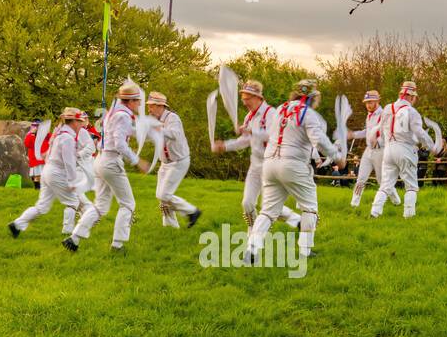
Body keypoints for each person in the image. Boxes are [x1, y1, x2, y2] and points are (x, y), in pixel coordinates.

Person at [246, 78, 342, 263]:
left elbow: (268, 134)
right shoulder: (309, 114)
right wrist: (336, 156)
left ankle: (252, 249)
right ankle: (306, 251)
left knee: (268, 210)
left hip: (270, 163)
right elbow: (319, 141)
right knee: (309, 207)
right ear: (312, 97)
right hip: (293, 165)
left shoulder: (280, 109)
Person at [63, 82, 147, 253]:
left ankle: (74, 238)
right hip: (111, 161)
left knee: (100, 205)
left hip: (101, 160)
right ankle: (118, 244)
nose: (139, 103)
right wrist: (137, 161)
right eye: (137, 100)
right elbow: (120, 144)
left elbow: (122, 133)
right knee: (128, 204)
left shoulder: (114, 113)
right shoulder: (123, 116)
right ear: (130, 101)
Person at [212, 79, 300, 234]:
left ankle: (297, 221)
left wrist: (252, 132)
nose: (244, 102)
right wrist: (224, 146)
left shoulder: (271, 113)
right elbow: (244, 141)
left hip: (271, 165)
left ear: (258, 97)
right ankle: (253, 234)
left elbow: (274, 136)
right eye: (243, 98)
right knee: (247, 203)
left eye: (247, 98)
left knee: (270, 208)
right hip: (255, 165)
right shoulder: (249, 117)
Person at [8, 108, 85, 238]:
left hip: (48, 171)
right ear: (74, 122)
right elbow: (69, 162)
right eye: (80, 121)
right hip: (57, 173)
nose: (81, 125)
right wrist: (72, 180)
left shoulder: (59, 134)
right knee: (72, 202)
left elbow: (48, 154)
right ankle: (67, 233)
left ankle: (17, 224)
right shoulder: (67, 138)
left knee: (42, 206)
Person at [370, 80, 435, 220]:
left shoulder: (387, 108)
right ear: (411, 97)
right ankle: (409, 216)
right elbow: (419, 132)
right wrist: (432, 146)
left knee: (386, 184)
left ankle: (375, 211)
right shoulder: (412, 111)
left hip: (388, 149)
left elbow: (381, 130)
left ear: (400, 94)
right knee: (411, 185)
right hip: (405, 148)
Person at [146, 91, 201, 229]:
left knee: (164, 194)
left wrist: (158, 129)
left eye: (151, 106)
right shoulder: (154, 120)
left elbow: (174, 135)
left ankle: (192, 211)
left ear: (160, 106)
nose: (149, 109)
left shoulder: (172, 118)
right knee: (162, 198)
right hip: (165, 163)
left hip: (178, 161)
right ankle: (170, 228)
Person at [348, 90, 388, 210]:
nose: (368, 105)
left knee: (382, 181)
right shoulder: (368, 115)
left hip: (380, 151)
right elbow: (367, 132)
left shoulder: (384, 114)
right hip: (368, 150)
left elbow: (388, 132)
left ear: (377, 101)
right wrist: (353, 134)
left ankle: (395, 200)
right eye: (366, 103)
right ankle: (354, 204)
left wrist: (379, 140)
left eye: (370, 102)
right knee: (361, 178)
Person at [24, 120, 52, 189]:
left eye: (38, 126)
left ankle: (43, 188)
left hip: (43, 159)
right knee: (36, 176)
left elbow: (52, 142)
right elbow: (27, 144)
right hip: (35, 159)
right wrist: (32, 134)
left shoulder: (46, 135)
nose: (36, 128)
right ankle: (37, 188)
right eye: (34, 126)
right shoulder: (30, 135)